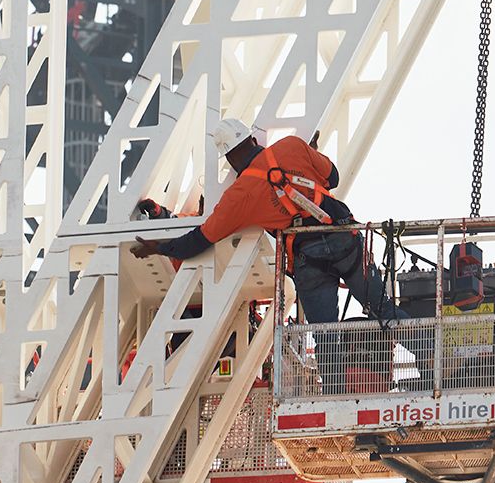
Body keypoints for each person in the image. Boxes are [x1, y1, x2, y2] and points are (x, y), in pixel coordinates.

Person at [130, 117, 393, 326]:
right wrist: (309, 156)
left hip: (309, 258)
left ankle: (334, 380)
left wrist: (159, 248)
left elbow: (199, 239)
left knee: (325, 337)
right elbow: (332, 178)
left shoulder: (238, 196)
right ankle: (418, 346)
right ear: (253, 139)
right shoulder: (292, 146)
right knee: (386, 312)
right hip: (343, 236)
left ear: (229, 159)